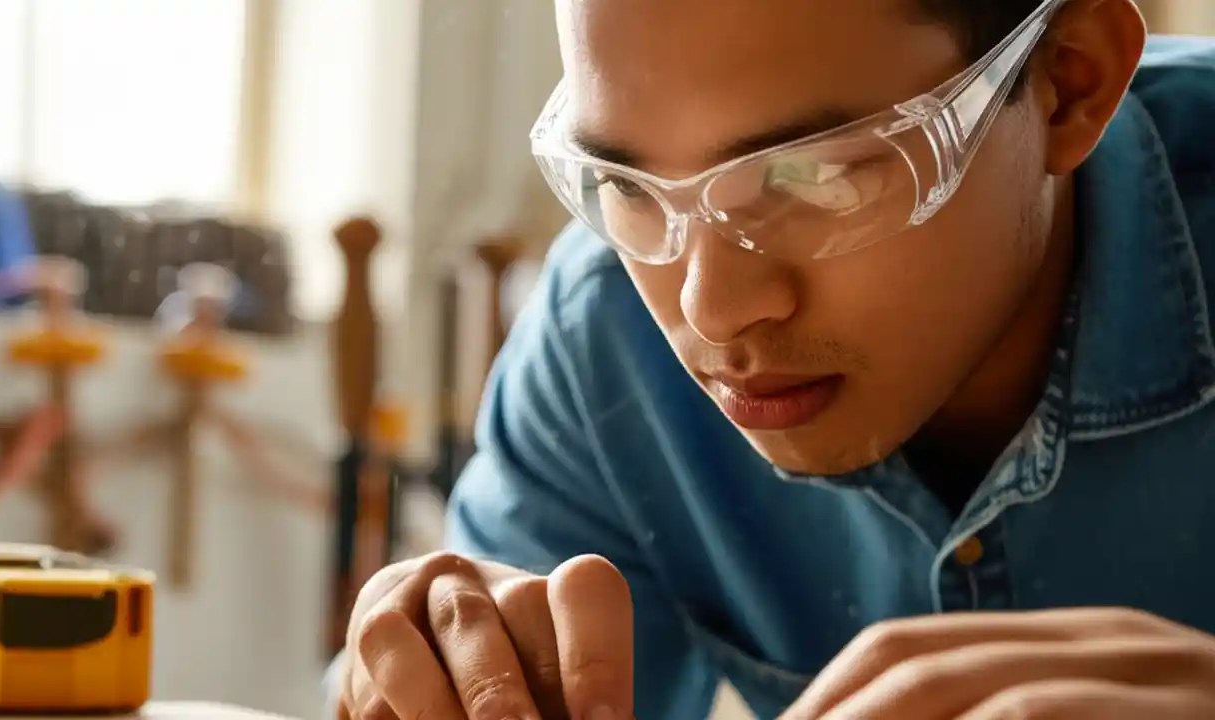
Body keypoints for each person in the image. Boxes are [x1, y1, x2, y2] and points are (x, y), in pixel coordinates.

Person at [335, 0, 1215, 717]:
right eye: (624, 184)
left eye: (813, 178)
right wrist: (425, 665)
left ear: (1068, 83)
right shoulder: (602, 333)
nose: (706, 311)